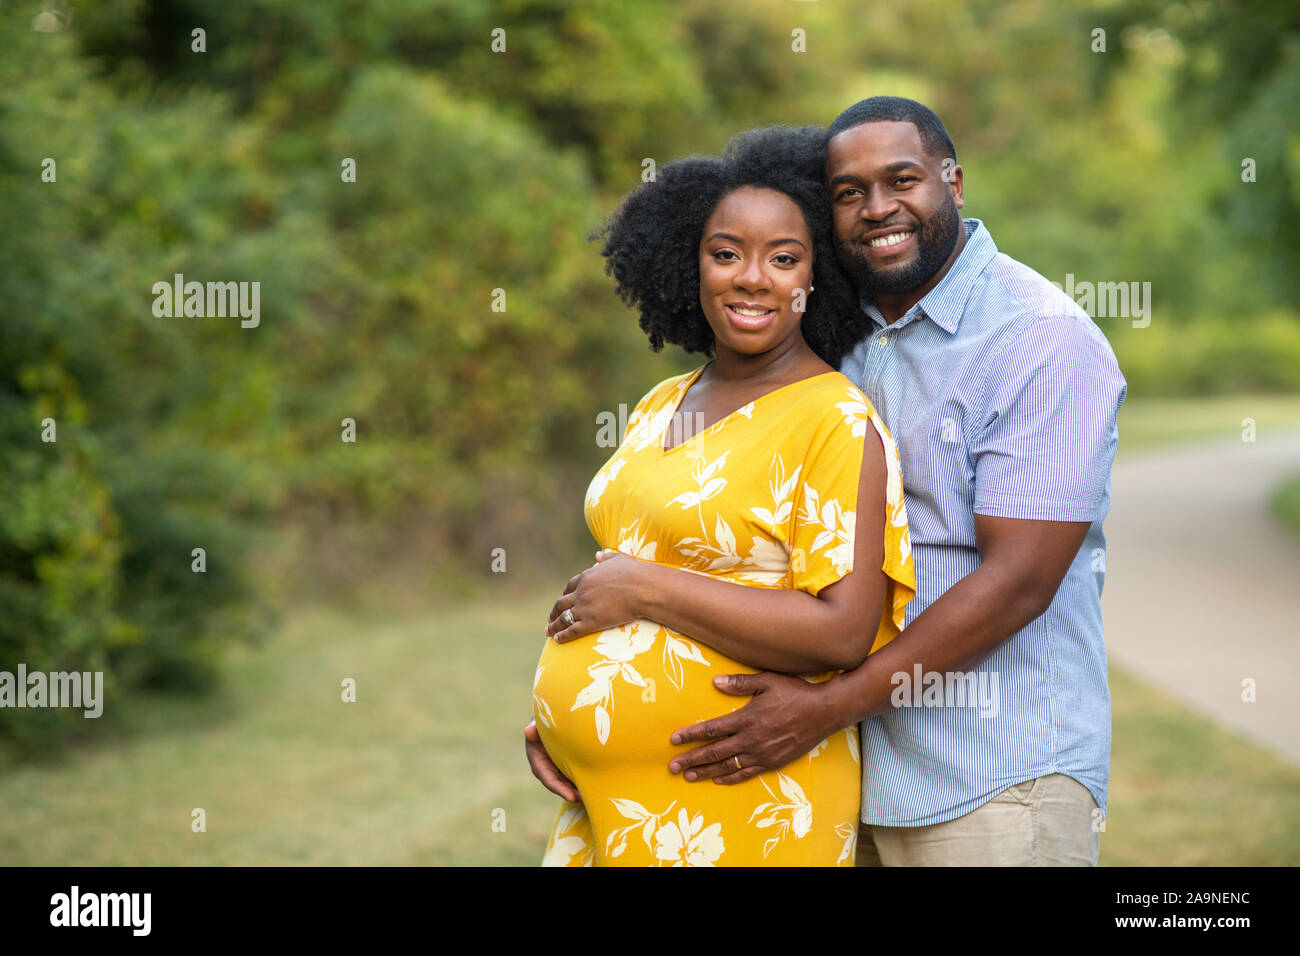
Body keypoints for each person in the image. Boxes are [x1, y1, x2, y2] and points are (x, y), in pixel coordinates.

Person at [528, 97, 1128, 866]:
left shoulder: (1039, 339)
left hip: (990, 773)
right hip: (843, 766)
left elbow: (1018, 582)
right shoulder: (841, 332)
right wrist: (588, 718)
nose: (878, 208)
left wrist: (825, 708)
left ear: (955, 181)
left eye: (901, 179)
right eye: (849, 192)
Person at [527, 125, 915, 866]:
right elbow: (620, 570)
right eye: (726, 252)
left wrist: (644, 592)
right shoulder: (660, 402)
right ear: (689, 262)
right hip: (609, 806)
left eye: (784, 258)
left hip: (746, 800)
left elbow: (843, 631)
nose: (752, 277)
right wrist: (570, 718)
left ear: (817, 277)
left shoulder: (833, 420)